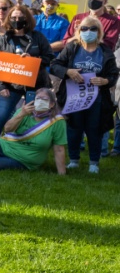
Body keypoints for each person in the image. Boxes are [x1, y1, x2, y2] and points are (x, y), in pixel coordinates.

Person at [50, 16, 117, 172]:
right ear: (79, 31)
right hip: (74, 97)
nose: (88, 32)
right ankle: (74, 159)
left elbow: (113, 74)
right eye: (84, 29)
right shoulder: (72, 48)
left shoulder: (105, 51)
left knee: (94, 129)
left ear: (99, 32)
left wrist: (105, 81)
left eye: (93, 29)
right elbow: (55, 65)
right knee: (74, 127)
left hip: (97, 99)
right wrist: (68, 71)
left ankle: (94, 162)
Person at [0, 3, 54, 143]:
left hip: (35, 86)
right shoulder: (4, 39)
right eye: (14, 17)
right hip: (11, 87)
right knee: (0, 117)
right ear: (9, 19)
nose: (17, 20)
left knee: (35, 117)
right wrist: (1, 87)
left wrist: (33, 60)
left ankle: (30, 144)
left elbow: (50, 57)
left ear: (27, 19)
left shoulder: (38, 37)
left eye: (20, 17)